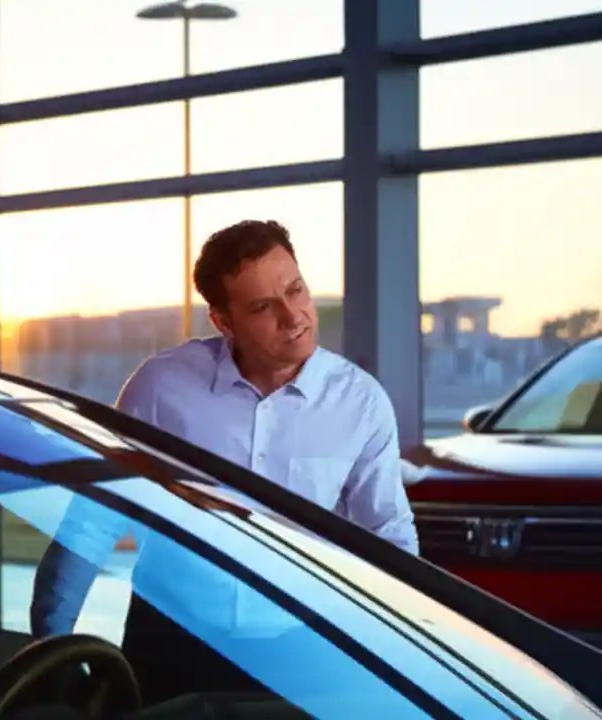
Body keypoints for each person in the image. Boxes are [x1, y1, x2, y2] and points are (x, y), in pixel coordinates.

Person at [30, 219, 418, 701]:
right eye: (262, 307)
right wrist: (49, 651)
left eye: (296, 289)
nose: (293, 314)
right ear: (223, 320)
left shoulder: (361, 402)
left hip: (303, 652)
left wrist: (405, 665)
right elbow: (95, 519)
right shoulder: (159, 388)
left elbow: (389, 537)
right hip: (170, 644)